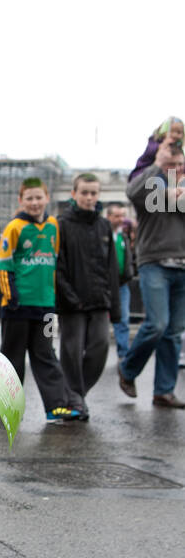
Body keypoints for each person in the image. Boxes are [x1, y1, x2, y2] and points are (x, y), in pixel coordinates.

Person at [0, 178, 81, 422]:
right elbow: (2, 265)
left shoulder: (54, 226)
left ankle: (56, 406)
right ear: (21, 201)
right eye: (29, 198)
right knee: (13, 356)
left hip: (46, 306)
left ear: (47, 198)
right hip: (17, 306)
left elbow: (56, 263)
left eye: (38, 197)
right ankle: (7, 405)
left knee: (46, 354)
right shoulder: (15, 227)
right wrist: (11, 297)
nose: (34, 203)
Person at [118, 131, 185, 407]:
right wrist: (159, 163)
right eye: (172, 165)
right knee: (157, 324)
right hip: (154, 263)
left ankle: (164, 391)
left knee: (173, 332)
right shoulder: (150, 190)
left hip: (182, 266)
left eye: (180, 165)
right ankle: (128, 369)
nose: (176, 169)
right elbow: (131, 191)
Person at [55, 174, 120, 421]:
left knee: (100, 347)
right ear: (74, 194)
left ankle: (76, 394)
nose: (89, 197)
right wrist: (68, 296)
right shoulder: (61, 223)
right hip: (72, 302)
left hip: (99, 299)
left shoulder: (104, 225)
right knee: (71, 351)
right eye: (84, 192)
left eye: (93, 193)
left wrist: (115, 307)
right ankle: (75, 400)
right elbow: (58, 266)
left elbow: (111, 266)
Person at [107, 202, 135, 363]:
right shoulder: (103, 235)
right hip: (105, 285)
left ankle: (123, 354)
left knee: (123, 319)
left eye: (122, 216)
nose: (121, 219)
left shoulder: (123, 236)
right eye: (117, 216)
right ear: (109, 216)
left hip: (122, 285)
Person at [128, 116, 184, 182]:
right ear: (163, 132)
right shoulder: (155, 141)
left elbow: (181, 163)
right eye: (172, 131)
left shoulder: (178, 148)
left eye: (178, 132)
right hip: (141, 173)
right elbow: (150, 150)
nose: (175, 135)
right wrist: (160, 146)